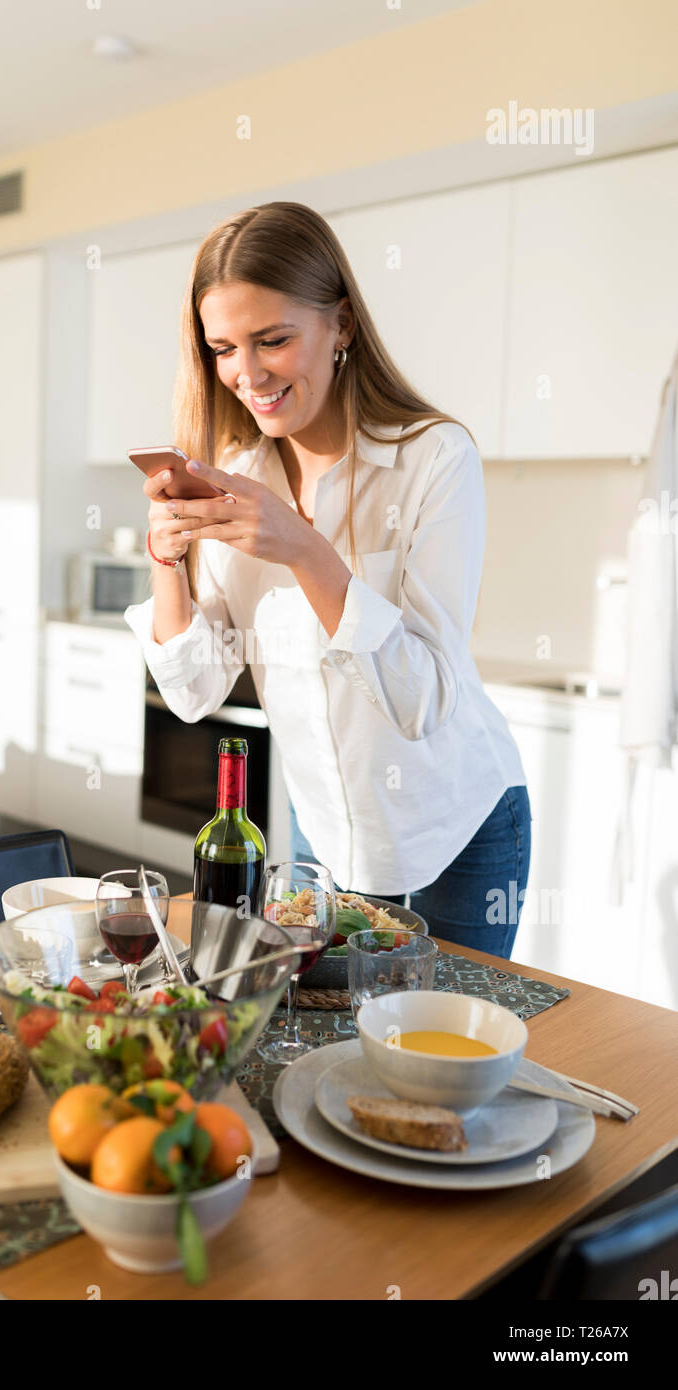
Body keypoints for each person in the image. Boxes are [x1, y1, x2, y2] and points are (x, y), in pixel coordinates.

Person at [124, 201, 531, 959]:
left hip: (458, 833)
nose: (247, 374)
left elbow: (427, 698)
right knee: (332, 1048)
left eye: (273, 339)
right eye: (223, 348)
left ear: (341, 325)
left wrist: (306, 550)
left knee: (440, 1066)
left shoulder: (434, 460)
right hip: (324, 836)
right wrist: (166, 560)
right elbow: (194, 693)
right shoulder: (236, 477)